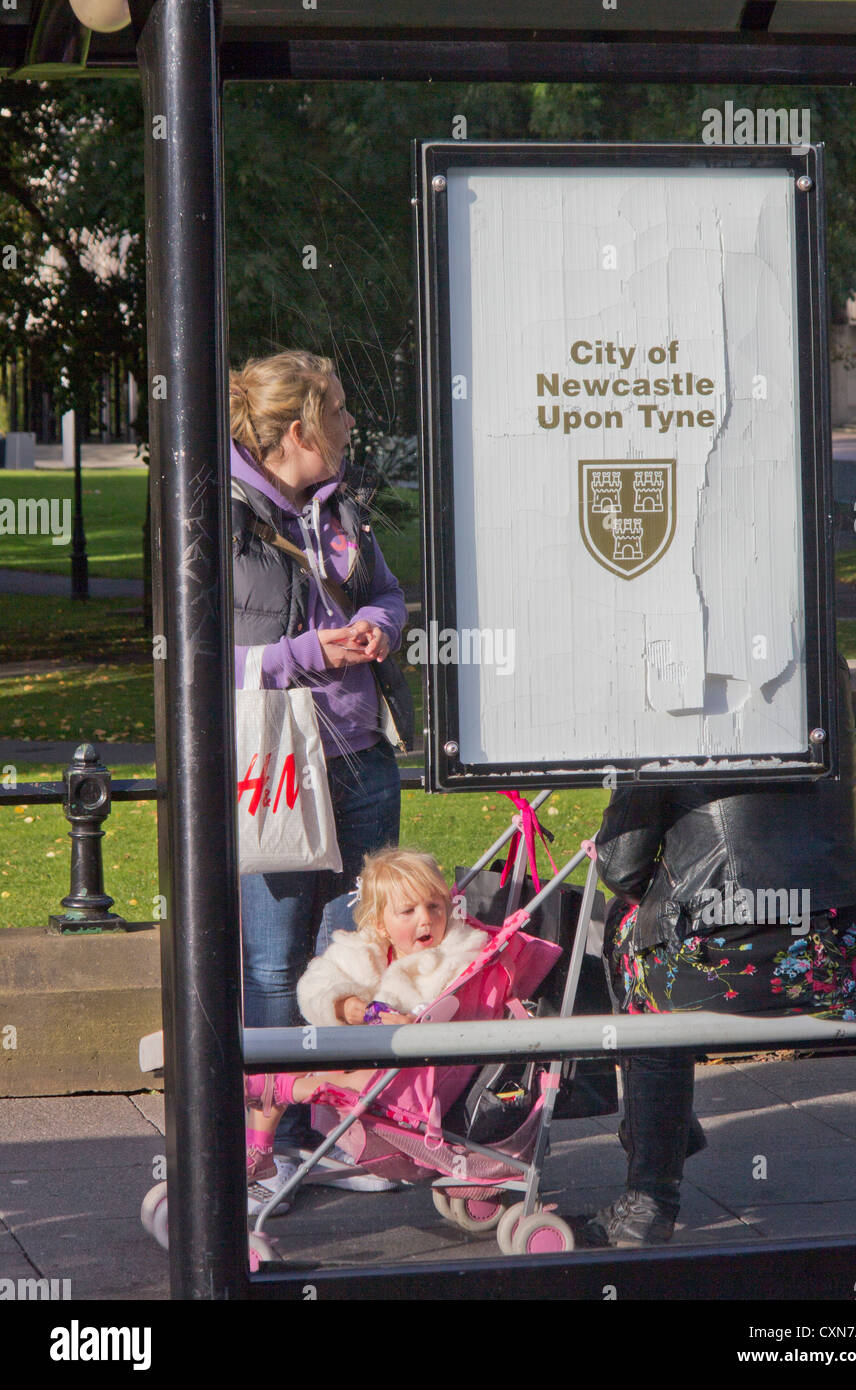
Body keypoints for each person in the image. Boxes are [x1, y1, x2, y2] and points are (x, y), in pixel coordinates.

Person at [586, 653, 856, 1249]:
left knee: (628, 936)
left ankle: (651, 1191)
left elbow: (621, 867)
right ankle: (663, 1131)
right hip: (832, 954)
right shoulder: (824, 668)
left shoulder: (666, 680)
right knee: (657, 954)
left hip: (717, 962)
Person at [229, 351, 413, 1040]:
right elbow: (201, 660)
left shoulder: (342, 506)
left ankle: (335, 1123)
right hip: (276, 765)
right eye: (336, 408)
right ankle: (275, 1140)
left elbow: (387, 592)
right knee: (275, 963)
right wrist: (309, 653)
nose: (350, 419)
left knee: (352, 955)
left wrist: (381, 625)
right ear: (301, 432)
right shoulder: (224, 517)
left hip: (364, 761)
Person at [244, 848, 489, 1190]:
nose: (426, 919)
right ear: (380, 925)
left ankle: (283, 1089)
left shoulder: (453, 956)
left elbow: (456, 1005)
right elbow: (316, 984)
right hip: (360, 1057)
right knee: (293, 1054)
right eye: (408, 911)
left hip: (411, 1076)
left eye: (435, 906)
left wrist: (414, 1024)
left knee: (335, 1081)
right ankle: (259, 1148)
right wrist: (343, 1005)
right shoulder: (363, 950)